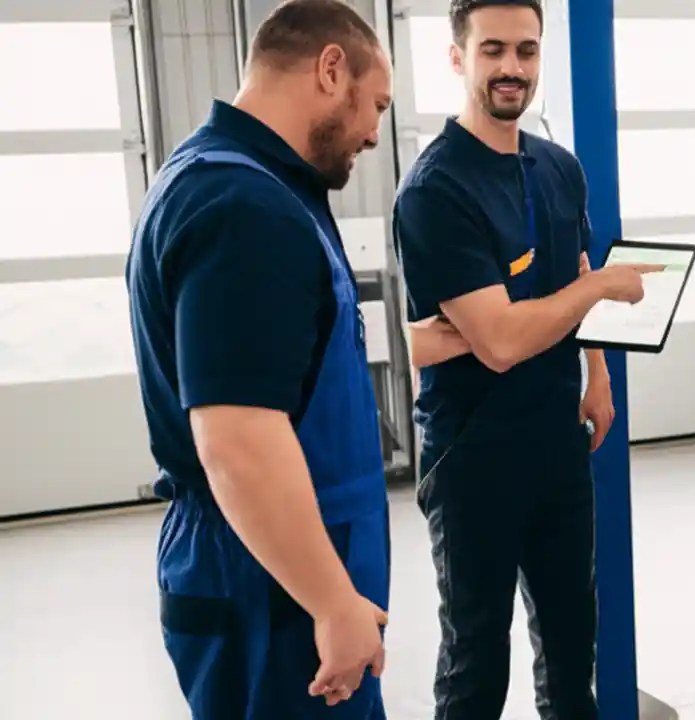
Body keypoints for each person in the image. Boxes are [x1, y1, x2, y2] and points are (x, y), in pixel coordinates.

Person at [124, 1, 395, 717]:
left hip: (281, 570)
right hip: (266, 587)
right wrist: (332, 601)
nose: (374, 132)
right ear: (330, 69)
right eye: (375, 105)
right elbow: (239, 442)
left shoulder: (251, 187)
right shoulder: (243, 207)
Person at [391, 1, 659, 717]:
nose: (513, 67)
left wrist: (597, 376)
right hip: (472, 455)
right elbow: (504, 341)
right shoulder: (435, 191)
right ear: (458, 58)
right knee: (478, 658)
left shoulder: (558, 169)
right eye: (494, 50)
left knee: (574, 649)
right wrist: (598, 285)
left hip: (555, 443)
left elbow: (567, 277)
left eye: (527, 51)